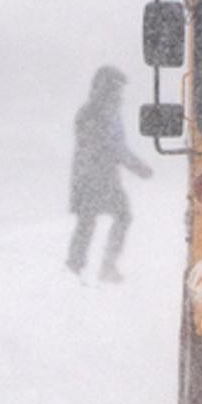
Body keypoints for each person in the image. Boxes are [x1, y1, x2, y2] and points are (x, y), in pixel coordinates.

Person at [67, 64, 150, 282]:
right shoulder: (93, 113)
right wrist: (136, 165)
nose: (120, 93)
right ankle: (88, 265)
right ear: (107, 88)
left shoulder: (106, 111)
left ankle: (88, 265)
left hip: (101, 175)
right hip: (93, 176)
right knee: (96, 219)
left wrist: (133, 164)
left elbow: (114, 145)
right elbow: (108, 146)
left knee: (98, 219)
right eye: (117, 88)